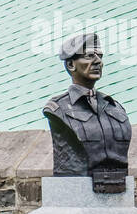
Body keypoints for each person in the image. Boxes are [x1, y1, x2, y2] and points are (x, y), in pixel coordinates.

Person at [43, 31, 131, 192]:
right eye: (90, 56)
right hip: (77, 190)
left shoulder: (114, 107)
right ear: (71, 64)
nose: (98, 61)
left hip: (117, 186)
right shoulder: (57, 108)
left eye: (100, 56)